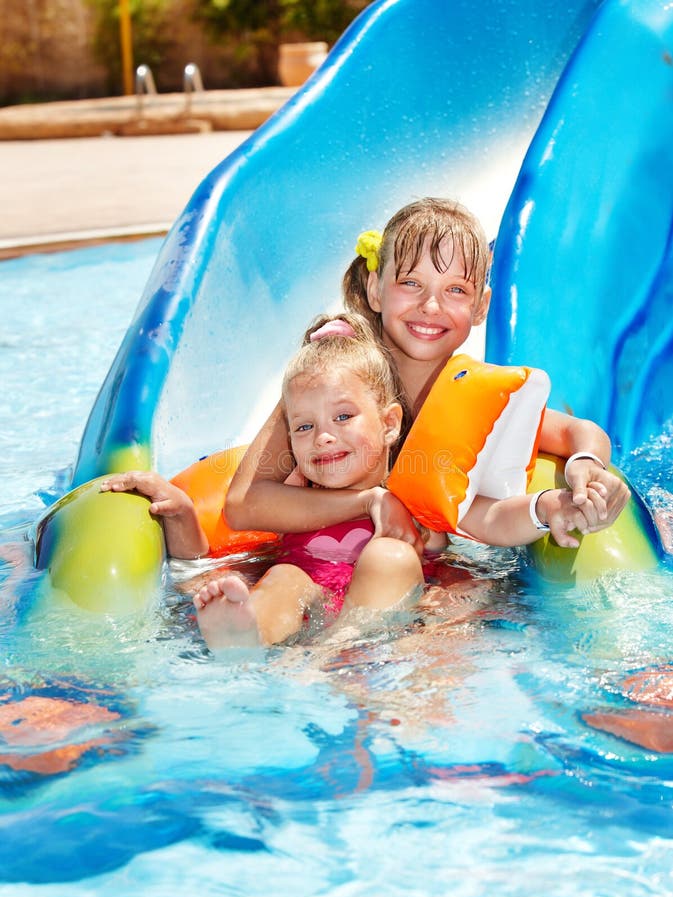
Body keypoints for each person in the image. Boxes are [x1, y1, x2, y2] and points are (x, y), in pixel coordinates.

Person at [102, 313, 596, 649]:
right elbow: (204, 563)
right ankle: (246, 639)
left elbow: (484, 526)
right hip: (306, 603)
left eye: (343, 417)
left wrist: (546, 505)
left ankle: (333, 655)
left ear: (388, 422)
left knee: (392, 555)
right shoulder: (291, 495)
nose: (323, 438)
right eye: (303, 427)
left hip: (380, 622)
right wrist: (182, 514)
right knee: (283, 578)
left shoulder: (414, 491)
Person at [225, 198, 630, 552]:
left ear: (480, 307)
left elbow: (578, 431)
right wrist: (371, 501)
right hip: (312, 560)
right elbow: (243, 505)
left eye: (456, 290)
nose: (431, 306)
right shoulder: (337, 374)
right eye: (411, 283)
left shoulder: (466, 394)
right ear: (376, 290)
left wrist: (586, 464)